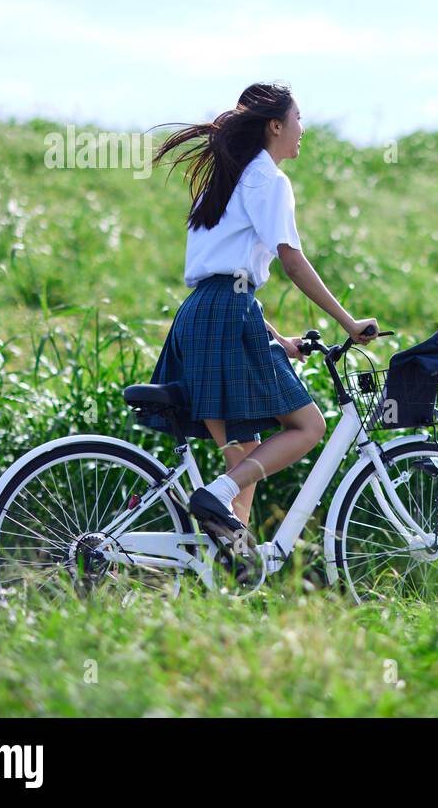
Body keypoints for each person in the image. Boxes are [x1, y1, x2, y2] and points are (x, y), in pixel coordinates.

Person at [142, 81, 379, 554]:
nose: (302, 129)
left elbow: (226, 281)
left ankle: (229, 582)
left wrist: (275, 337)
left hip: (201, 315)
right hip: (227, 316)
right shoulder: (268, 180)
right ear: (275, 126)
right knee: (309, 427)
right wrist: (349, 324)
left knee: (244, 465)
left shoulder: (225, 180)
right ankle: (217, 494)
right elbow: (291, 261)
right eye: (297, 120)